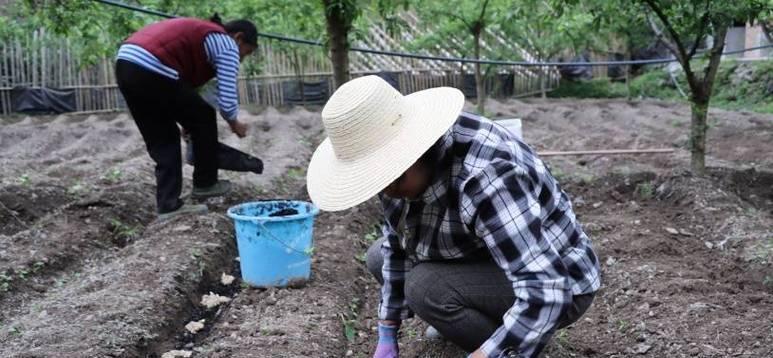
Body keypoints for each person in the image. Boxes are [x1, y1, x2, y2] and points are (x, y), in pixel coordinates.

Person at [306, 76, 601, 358]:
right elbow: (396, 250)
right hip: (490, 255)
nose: (387, 192)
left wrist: (487, 354)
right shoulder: (396, 178)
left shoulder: (485, 175)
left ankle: (514, 342)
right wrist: (387, 330)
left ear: (417, 150)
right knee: (378, 258)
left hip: (561, 280)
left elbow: (547, 287)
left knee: (425, 287)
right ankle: (483, 326)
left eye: (394, 180)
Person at [115, 15, 258, 221]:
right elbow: (226, 100)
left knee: (164, 137)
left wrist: (187, 121)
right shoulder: (227, 44)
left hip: (126, 64)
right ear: (239, 38)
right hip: (152, 64)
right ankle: (205, 183)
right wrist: (235, 123)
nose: (243, 58)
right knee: (205, 115)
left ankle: (168, 206)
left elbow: (182, 90)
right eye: (248, 51)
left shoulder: (202, 37)